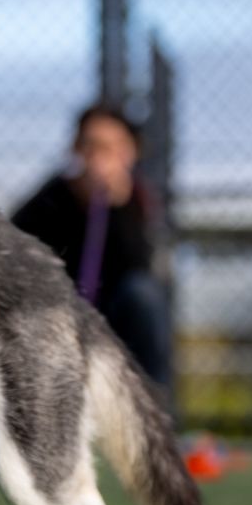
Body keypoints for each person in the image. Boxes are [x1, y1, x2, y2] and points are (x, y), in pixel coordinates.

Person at [12, 103, 173, 404]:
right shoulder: (51, 198)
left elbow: (140, 266)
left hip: (114, 316)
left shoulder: (137, 200)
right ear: (76, 150)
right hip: (58, 313)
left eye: (112, 148)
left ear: (130, 153)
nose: (101, 157)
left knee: (144, 297)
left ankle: (155, 414)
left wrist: (118, 205)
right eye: (92, 146)